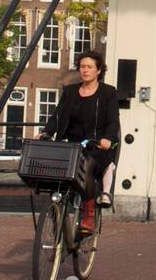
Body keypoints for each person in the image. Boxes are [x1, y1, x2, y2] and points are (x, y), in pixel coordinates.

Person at [41, 50, 120, 234]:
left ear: (98, 70)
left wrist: (108, 138)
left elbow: (113, 120)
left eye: (89, 67)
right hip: (72, 144)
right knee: (56, 174)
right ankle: (56, 223)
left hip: (97, 146)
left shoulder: (108, 92)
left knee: (88, 165)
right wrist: (46, 132)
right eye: (82, 67)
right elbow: (58, 116)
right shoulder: (70, 92)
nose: (85, 70)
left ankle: (89, 214)